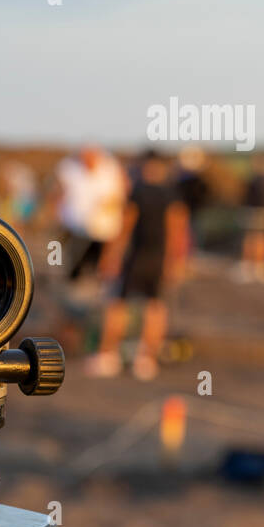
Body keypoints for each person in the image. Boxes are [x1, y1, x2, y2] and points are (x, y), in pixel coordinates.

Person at [86, 150, 186, 381]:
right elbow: (177, 230)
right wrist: (175, 261)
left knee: (117, 305)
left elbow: (125, 226)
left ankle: (108, 356)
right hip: (159, 258)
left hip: (137, 256)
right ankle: (146, 360)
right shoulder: (172, 193)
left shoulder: (137, 192)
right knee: (155, 306)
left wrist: (111, 256)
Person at [50, 146, 127, 279]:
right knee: (73, 257)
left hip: (103, 228)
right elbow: (59, 191)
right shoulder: (70, 170)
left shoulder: (110, 171)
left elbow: (119, 198)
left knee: (96, 259)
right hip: (75, 225)